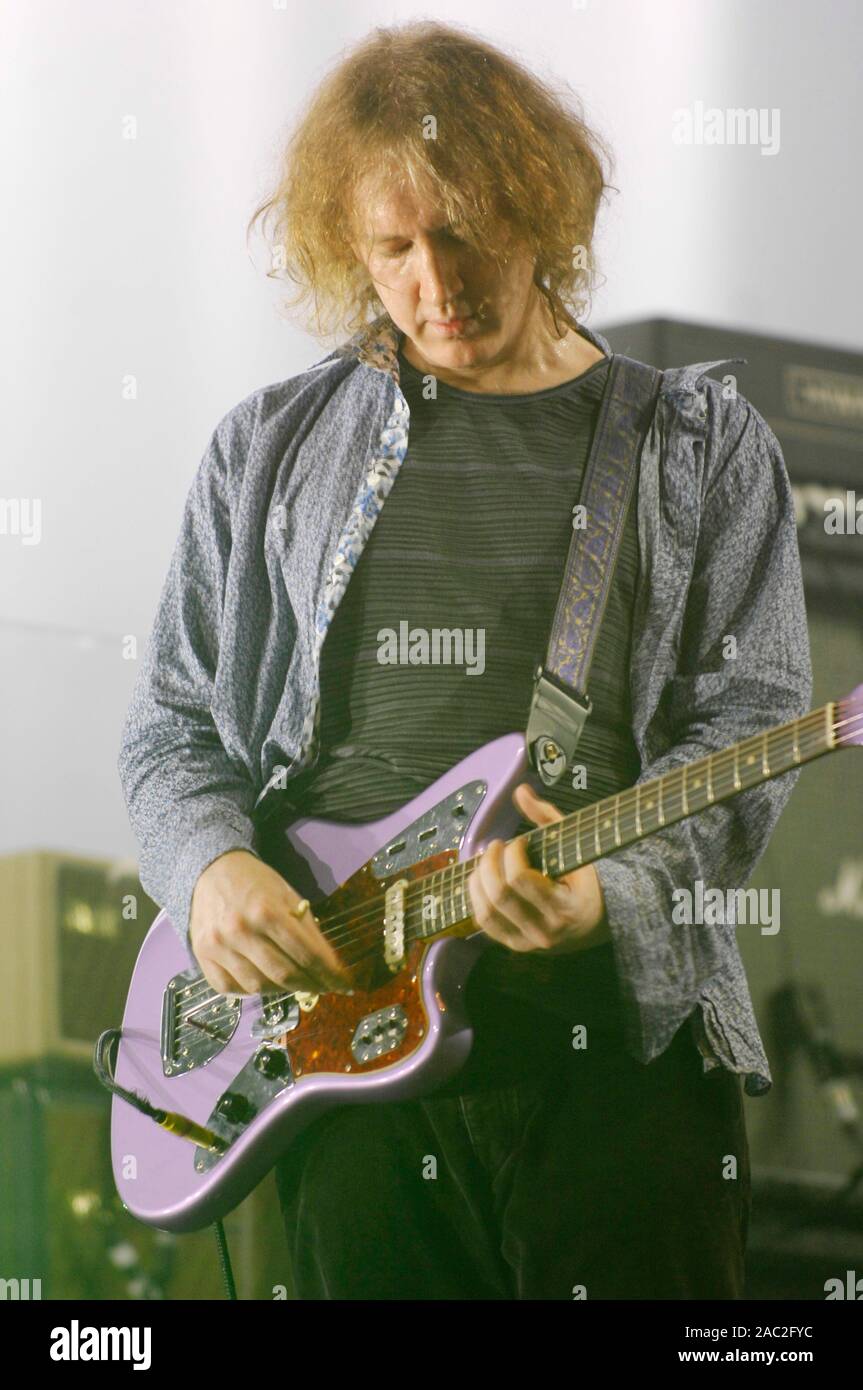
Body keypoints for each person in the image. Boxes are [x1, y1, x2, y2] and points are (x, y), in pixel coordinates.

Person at [118, 21, 812, 1299]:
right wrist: (208, 869)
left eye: (462, 231)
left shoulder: (698, 445)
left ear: (540, 208)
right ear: (349, 250)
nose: (434, 283)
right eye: (393, 248)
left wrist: (609, 894)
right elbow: (172, 720)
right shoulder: (265, 451)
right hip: (333, 1052)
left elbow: (748, 727)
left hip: (608, 1041)